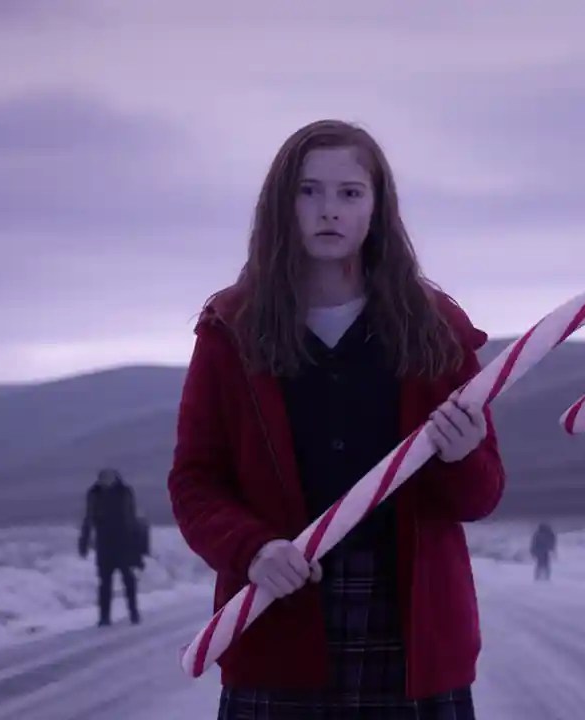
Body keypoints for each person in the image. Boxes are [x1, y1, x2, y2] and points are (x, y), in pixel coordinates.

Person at [167, 119, 506, 718]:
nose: (329, 209)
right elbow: (195, 480)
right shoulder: (231, 329)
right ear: (282, 203)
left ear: (376, 206)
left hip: (411, 638)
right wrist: (252, 550)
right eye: (309, 190)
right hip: (279, 627)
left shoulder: (436, 328)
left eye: (349, 193)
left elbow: (480, 495)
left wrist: (462, 456)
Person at [78, 468, 146, 627]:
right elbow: (88, 518)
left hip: (124, 543)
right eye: (103, 479)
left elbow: (131, 519)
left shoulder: (124, 493)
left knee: (128, 580)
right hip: (104, 545)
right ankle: (104, 617)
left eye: (108, 479)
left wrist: (138, 547)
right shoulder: (94, 494)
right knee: (104, 582)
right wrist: (84, 541)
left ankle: (133, 612)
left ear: (115, 479)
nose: (105, 482)